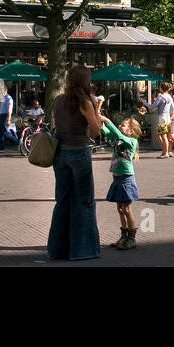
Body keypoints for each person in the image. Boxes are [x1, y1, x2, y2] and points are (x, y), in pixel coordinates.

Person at [48, 64, 104, 261]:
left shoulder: (58, 101)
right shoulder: (84, 102)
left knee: (62, 200)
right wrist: (96, 109)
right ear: (85, 82)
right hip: (79, 152)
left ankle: (57, 249)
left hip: (59, 153)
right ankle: (83, 250)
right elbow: (96, 131)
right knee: (84, 201)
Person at [101, 116, 142, 251]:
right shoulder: (118, 140)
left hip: (126, 179)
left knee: (127, 209)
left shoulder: (131, 141)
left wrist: (107, 121)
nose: (120, 126)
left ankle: (131, 238)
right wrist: (100, 122)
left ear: (130, 131)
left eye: (123, 125)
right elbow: (107, 132)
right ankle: (123, 236)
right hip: (117, 179)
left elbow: (118, 134)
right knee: (120, 209)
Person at [153, 82, 174, 158]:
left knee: (166, 136)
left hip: (163, 118)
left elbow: (153, 106)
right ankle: (166, 150)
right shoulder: (168, 96)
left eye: (160, 87)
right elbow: (173, 108)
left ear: (162, 88)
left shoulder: (162, 96)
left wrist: (145, 103)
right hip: (167, 117)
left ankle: (166, 152)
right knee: (162, 135)